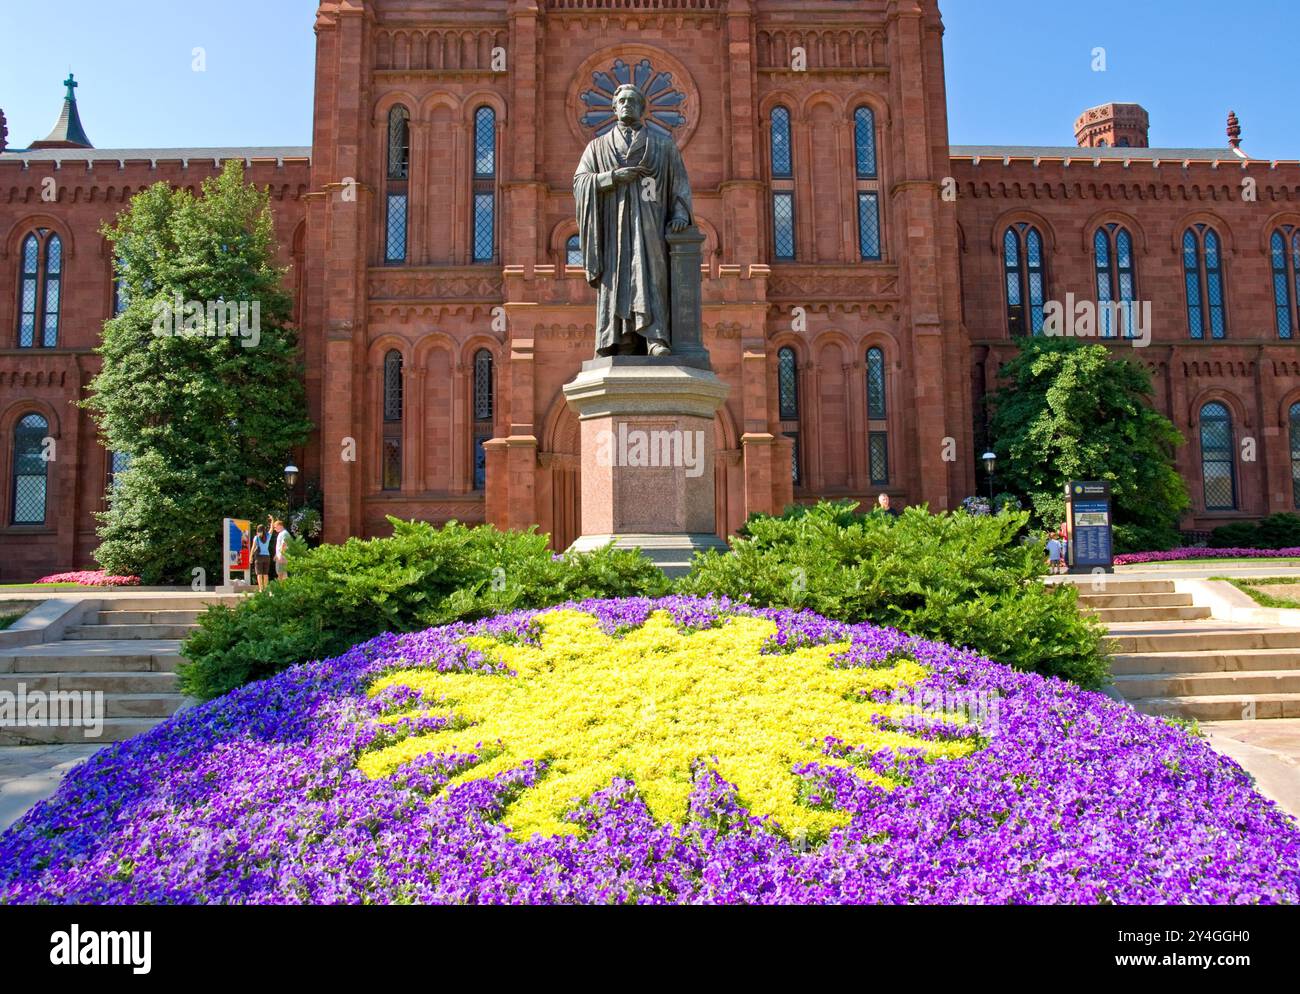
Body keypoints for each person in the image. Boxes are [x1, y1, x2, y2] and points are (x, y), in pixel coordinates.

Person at [252, 524, 273, 592]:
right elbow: (271, 529)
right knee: (265, 574)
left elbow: (253, 548)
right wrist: (272, 521)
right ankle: (266, 588)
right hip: (267, 556)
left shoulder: (256, 537)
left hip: (259, 557)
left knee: (259, 574)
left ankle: (261, 589)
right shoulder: (268, 536)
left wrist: (250, 557)